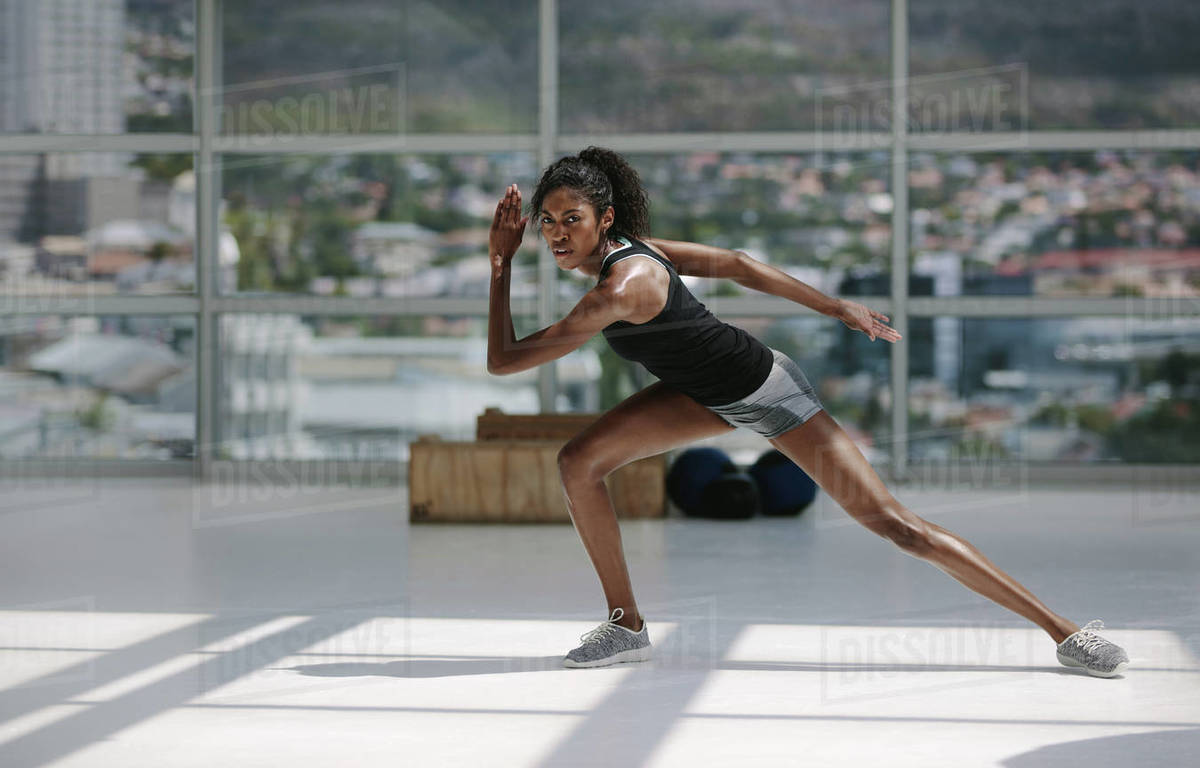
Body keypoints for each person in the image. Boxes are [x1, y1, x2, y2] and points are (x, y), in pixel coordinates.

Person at [486, 146, 1129, 677]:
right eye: (546, 221)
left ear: (605, 218)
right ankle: (625, 626)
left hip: (768, 391)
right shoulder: (629, 250)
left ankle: (1065, 632)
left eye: (571, 218)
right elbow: (736, 264)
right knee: (579, 463)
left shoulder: (620, 287)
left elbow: (504, 361)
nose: (557, 233)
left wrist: (500, 264)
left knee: (896, 526)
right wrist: (833, 306)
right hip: (700, 394)